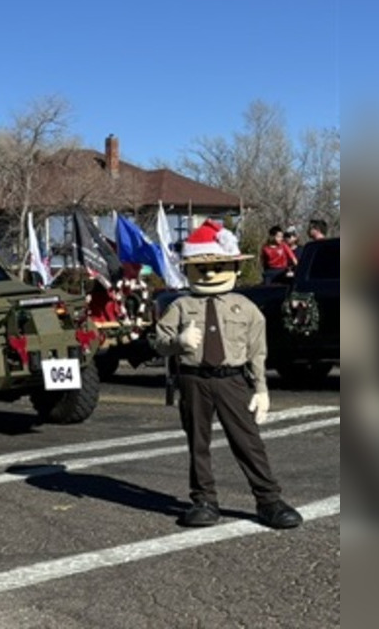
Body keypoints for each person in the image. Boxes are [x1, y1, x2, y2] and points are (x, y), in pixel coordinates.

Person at [151, 219, 303, 530]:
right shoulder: (180, 306)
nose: (209, 273)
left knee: (247, 441)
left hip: (232, 379)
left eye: (218, 266)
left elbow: (257, 351)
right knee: (198, 442)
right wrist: (177, 342)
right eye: (201, 268)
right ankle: (204, 501)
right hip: (193, 379)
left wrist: (261, 389)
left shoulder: (246, 308)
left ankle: (269, 501)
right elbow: (157, 341)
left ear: (234, 266)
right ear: (188, 269)